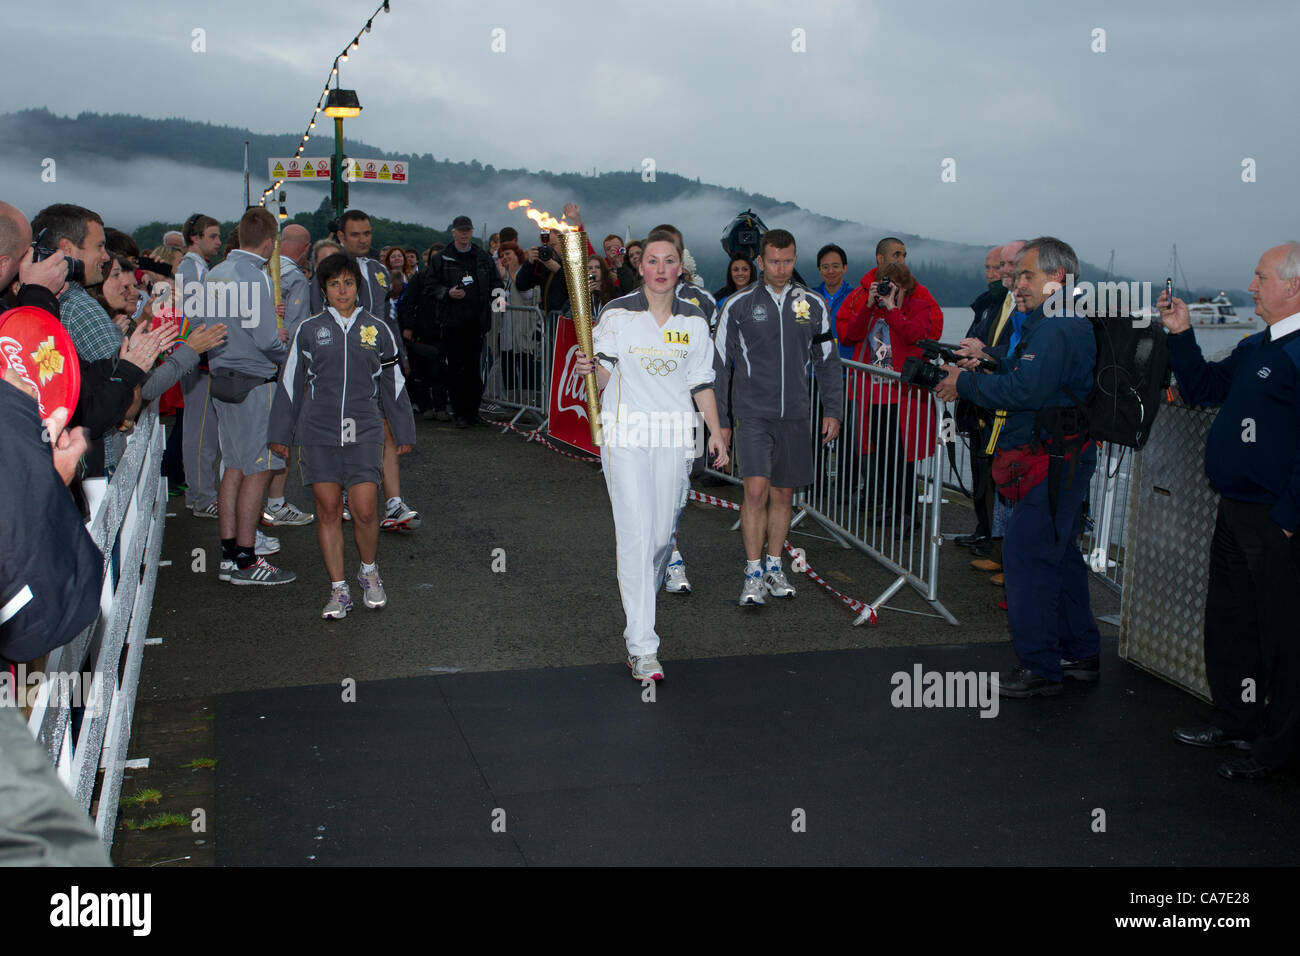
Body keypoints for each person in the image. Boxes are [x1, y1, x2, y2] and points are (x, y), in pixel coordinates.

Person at [1159, 242, 1300, 780]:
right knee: (1231, 621)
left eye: (1261, 277)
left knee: (1284, 635)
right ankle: (1237, 720)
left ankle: (1278, 748)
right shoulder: (1258, 344)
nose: (1252, 284)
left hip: (1276, 519)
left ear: (1291, 285)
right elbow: (1202, 388)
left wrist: (1289, 515)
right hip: (1235, 510)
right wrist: (1181, 332)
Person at [935, 236, 1099, 698]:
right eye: (1016, 274)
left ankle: (1040, 666)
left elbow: (1026, 392)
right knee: (1060, 553)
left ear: (1057, 279)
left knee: (1026, 559)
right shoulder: (1053, 321)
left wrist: (964, 383)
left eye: (1026, 275)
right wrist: (990, 358)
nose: (1016, 283)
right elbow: (1029, 373)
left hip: (1050, 461)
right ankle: (1081, 651)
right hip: (1059, 456)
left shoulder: (1057, 327)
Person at [572, 230, 729, 681]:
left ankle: (644, 598)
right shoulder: (617, 314)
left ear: (681, 268)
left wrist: (715, 432)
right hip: (626, 436)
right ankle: (642, 644)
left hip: (676, 438)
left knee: (661, 537)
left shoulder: (695, 321)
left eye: (670, 261)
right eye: (653, 260)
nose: (660, 268)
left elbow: (702, 383)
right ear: (641, 267)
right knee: (636, 536)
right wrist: (589, 369)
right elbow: (600, 376)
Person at [269, 253, 416, 619]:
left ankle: (368, 571)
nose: (342, 290)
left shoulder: (378, 329)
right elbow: (290, 384)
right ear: (324, 289)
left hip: (366, 429)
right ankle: (338, 589)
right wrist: (281, 433)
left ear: (358, 286)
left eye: (348, 282)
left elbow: (393, 383)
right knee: (330, 510)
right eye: (334, 284)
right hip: (318, 431)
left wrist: (403, 428)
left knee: (366, 510)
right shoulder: (308, 329)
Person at [714, 228, 843, 605]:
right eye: (774, 261)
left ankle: (774, 566)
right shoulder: (736, 305)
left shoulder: (814, 305)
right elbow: (719, 365)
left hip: (796, 416)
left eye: (788, 261)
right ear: (760, 261)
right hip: (753, 414)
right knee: (755, 491)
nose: (782, 268)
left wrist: (833, 410)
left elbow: (829, 362)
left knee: (784, 493)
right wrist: (721, 419)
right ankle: (752, 572)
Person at [202, 207, 295, 586]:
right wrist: (283, 342)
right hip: (254, 381)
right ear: (270, 244)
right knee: (258, 469)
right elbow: (266, 341)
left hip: (222, 377)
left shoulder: (215, 273)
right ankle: (246, 560)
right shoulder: (255, 278)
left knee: (234, 468)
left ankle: (230, 555)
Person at [837, 261, 936, 532]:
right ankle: (892, 507)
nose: (888, 291)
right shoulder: (874, 309)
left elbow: (917, 335)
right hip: (877, 393)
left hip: (903, 396)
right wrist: (869, 304)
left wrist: (893, 308)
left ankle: (908, 514)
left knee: (903, 458)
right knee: (882, 456)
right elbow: (850, 336)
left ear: (904, 287)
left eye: (894, 287)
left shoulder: (919, 307)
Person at [419, 215, 504, 429]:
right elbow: (430, 286)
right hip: (452, 322)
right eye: (461, 230)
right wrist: (447, 293)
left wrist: (497, 303)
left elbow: (496, 283)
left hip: (477, 321)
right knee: (456, 368)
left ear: (472, 231)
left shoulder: (483, 257)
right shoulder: (442, 258)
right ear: (453, 232)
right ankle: (460, 413)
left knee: (474, 369)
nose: (465, 234)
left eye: (468, 230)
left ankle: (473, 412)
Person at [953, 245, 1007, 553]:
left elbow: (1007, 351)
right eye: (987, 268)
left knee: (995, 471)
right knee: (980, 468)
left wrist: (984, 354)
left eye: (998, 268)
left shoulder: (1013, 305)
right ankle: (985, 530)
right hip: (979, 401)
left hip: (998, 399)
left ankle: (995, 540)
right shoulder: (986, 304)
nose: (992, 275)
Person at [262, 223, 315, 529]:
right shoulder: (293, 276)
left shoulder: (261, 271)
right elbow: (295, 329)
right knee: (279, 437)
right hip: (279, 367)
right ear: (305, 248)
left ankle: (268, 505)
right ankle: (274, 504)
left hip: (252, 364)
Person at [176, 212, 223, 519]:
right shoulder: (191, 266)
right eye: (213, 236)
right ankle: (202, 497)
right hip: (200, 355)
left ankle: (200, 494)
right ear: (195, 238)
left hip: (200, 353)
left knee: (203, 428)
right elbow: (195, 315)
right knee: (201, 429)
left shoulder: (198, 266)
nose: (218, 242)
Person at [813, 244, 853, 361]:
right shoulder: (809, 297)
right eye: (825, 267)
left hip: (845, 370)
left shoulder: (855, 297)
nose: (830, 271)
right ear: (819, 269)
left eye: (835, 266)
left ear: (844, 268)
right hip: (814, 371)